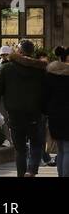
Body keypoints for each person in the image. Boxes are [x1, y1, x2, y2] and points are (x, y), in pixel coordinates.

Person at [0, 39, 47, 177]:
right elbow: (46, 91)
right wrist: (45, 109)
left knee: (20, 148)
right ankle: (32, 170)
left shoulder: (7, 68)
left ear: (19, 52)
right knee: (36, 144)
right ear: (32, 53)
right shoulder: (39, 70)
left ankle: (21, 175)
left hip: (14, 113)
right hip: (35, 113)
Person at [44, 46, 69, 178]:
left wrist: (46, 111)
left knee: (60, 150)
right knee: (67, 150)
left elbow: (45, 96)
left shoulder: (50, 74)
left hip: (54, 116)